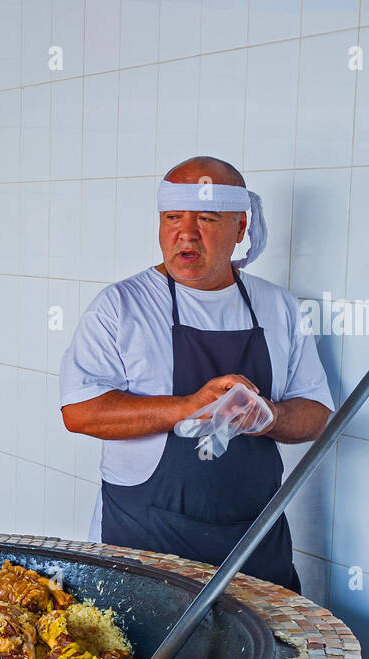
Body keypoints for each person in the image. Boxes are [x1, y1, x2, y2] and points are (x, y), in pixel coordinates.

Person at [59, 156, 333, 593]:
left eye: (206, 218)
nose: (185, 233)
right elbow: (80, 412)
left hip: (253, 547)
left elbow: (318, 414)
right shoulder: (121, 307)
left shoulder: (279, 308)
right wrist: (187, 407)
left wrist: (270, 419)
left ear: (241, 228)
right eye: (172, 218)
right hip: (143, 544)